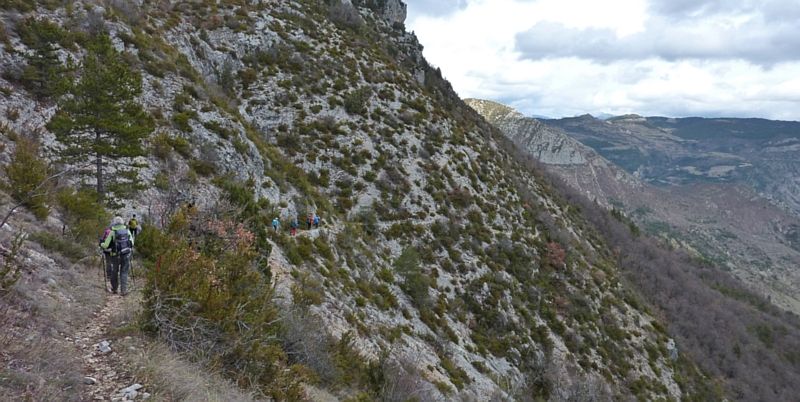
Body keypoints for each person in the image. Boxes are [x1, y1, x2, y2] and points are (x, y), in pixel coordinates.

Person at [100, 216, 134, 295]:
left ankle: (114, 289)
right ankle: (123, 291)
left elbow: (106, 245)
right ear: (122, 223)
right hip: (126, 254)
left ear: (114, 223)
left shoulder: (112, 232)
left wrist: (101, 244)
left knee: (114, 272)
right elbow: (132, 243)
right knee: (124, 272)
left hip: (115, 255)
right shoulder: (127, 231)